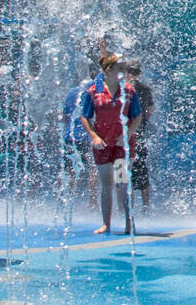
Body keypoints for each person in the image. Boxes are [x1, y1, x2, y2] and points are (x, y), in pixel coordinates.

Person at [79, 54, 143, 234]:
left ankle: (129, 223)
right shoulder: (94, 91)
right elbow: (85, 116)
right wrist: (93, 136)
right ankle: (106, 223)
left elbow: (137, 116)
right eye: (118, 68)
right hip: (102, 144)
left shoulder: (129, 90)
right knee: (106, 184)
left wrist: (127, 134)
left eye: (122, 68)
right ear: (108, 71)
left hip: (122, 145)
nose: (122, 72)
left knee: (123, 182)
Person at [60, 66, 97, 208]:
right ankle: (92, 202)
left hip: (69, 136)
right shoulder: (94, 91)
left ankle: (65, 200)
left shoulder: (72, 92)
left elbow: (64, 116)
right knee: (92, 170)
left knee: (68, 170)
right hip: (88, 136)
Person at [125, 62, 155, 210]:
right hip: (140, 133)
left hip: (124, 134)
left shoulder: (123, 89)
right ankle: (145, 206)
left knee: (124, 169)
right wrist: (142, 123)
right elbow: (149, 111)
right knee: (142, 168)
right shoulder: (145, 89)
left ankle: (124, 206)